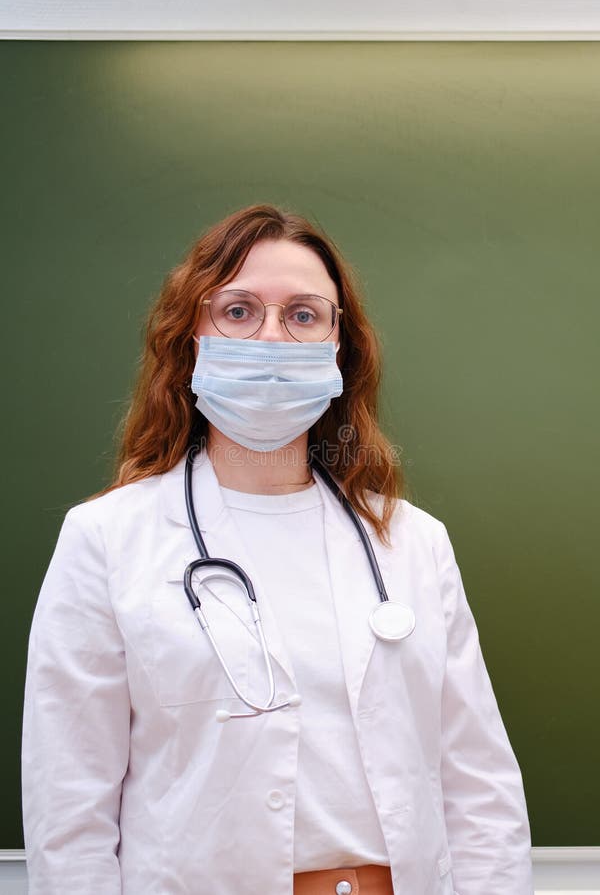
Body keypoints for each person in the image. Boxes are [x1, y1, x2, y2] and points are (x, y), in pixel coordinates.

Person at [22, 203, 533, 895]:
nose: (270, 338)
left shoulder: (414, 542)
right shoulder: (108, 541)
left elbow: (481, 788)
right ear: (192, 337)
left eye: (302, 315)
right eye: (237, 311)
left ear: (338, 348)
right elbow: (69, 811)